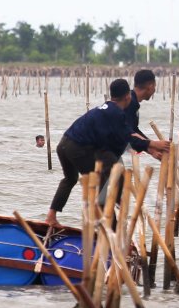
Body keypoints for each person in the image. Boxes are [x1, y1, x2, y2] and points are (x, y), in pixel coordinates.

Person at [46, 79, 135, 227]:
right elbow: (123, 138)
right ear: (127, 96)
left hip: (63, 145)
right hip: (75, 148)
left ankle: (51, 216)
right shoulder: (116, 112)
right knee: (101, 184)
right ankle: (108, 228)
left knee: (70, 179)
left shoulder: (102, 109)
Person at [125, 69, 172, 160]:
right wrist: (154, 144)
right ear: (150, 87)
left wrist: (151, 150)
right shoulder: (129, 102)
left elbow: (134, 131)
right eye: (154, 86)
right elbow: (128, 135)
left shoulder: (132, 100)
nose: (154, 90)